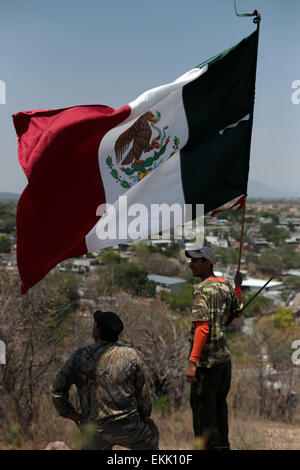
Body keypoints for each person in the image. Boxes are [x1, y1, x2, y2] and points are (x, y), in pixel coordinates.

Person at [51, 310, 159, 450]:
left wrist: (73, 415)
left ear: (97, 332)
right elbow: (143, 395)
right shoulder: (131, 356)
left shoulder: (79, 356)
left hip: (94, 429)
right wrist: (145, 418)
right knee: (152, 435)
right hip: (128, 427)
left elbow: (56, 390)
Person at [184, 246, 243, 450]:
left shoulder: (201, 289)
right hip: (224, 361)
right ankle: (223, 446)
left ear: (207, 263)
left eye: (195, 261)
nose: (191, 265)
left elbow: (202, 327)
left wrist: (193, 362)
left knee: (203, 412)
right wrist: (238, 287)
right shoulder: (226, 286)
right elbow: (238, 312)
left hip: (207, 363)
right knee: (219, 407)